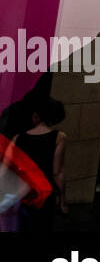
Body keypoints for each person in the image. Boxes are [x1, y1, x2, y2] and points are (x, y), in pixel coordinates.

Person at [3, 97, 67, 232]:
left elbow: (6, 166)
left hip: (23, 194)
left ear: (36, 116)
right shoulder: (59, 137)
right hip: (45, 194)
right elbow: (57, 173)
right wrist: (62, 198)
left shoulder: (18, 138)